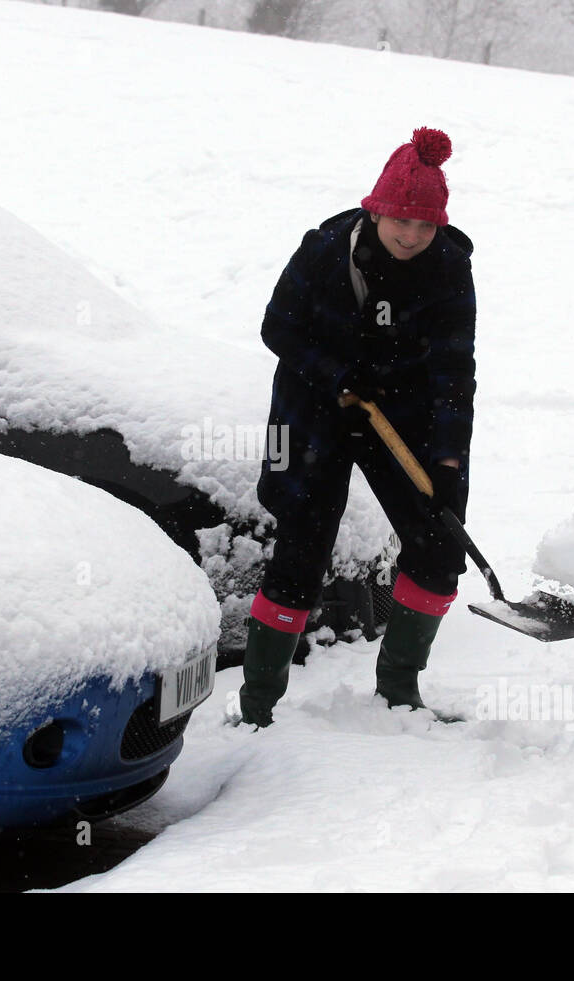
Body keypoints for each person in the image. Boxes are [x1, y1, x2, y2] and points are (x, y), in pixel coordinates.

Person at [238, 126, 477, 727]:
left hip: (402, 413)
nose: (413, 235)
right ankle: (257, 709)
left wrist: (446, 465)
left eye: (426, 226)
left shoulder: (448, 268)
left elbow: (454, 372)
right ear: (377, 208)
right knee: (302, 547)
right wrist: (337, 373)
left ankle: (399, 695)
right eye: (402, 219)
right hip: (315, 407)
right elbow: (277, 328)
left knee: (438, 544)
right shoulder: (324, 250)